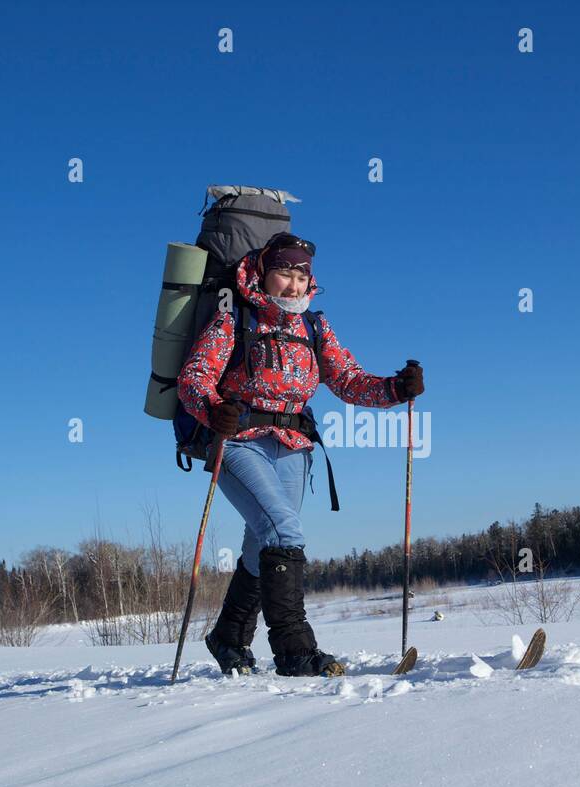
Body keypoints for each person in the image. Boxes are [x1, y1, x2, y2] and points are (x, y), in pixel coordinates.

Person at [177, 233, 425, 677]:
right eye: (284, 274)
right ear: (262, 273)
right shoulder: (234, 318)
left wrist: (393, 389)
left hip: (294, 446)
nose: (293, 286)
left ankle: (228, 637)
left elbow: (347, 379)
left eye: (300, 276)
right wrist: (215, 410)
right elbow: (194, 378)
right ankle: (294, 650)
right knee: (283, 530)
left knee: (262, 545)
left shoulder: (314, 325)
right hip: (237, 443)